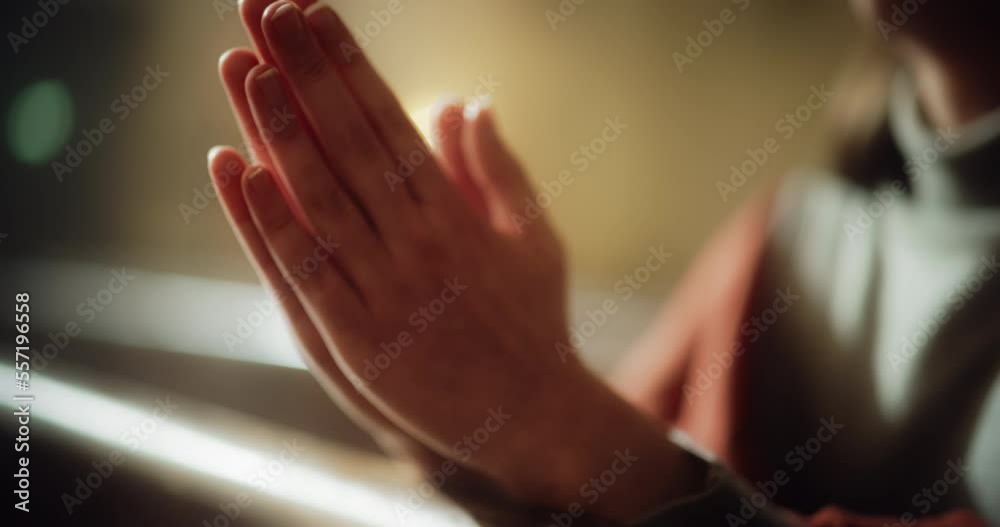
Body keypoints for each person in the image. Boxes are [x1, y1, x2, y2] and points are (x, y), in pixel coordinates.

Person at [207, 0, 998, 524]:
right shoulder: (779, 243)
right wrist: (446, 431)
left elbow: (593, 454)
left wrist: (548, 416)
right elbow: (589, 484)